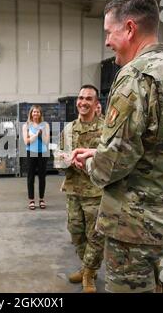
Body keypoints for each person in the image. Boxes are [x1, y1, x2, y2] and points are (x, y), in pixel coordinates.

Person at [71, 0, 163, 293]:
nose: (107, 41)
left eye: (109, 32)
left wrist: (91, 161)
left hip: (136, 231)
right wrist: (101, 149)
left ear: (129, 28)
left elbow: (112, 165)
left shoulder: (135, 75)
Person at [54, 84, 104, 293]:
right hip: (74, 190)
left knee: (95, 236)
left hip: (96, 192)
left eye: (88, 99)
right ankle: (86, 267)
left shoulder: (106, 129)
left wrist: (88, 163)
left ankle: (89, 274)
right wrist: (64, 160)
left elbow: (110, 162)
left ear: (96, 104)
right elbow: (57, 158)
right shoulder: (69, 129)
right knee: (75, 232)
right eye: (81, 98)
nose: (83, 102)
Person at [22, 105, 50, 210]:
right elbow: (26, 141)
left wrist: (41, 134)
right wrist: (36, 134)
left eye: (38, 112)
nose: (36, 114)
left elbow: (46, 141)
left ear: (40, 114)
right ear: (31, 113)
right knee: (30, 177)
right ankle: (31, 200)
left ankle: (41, 199)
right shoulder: (26, 126)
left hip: (42, 153)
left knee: (42, 177)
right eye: (34, 112)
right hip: (31, 153)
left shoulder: (45, 125)